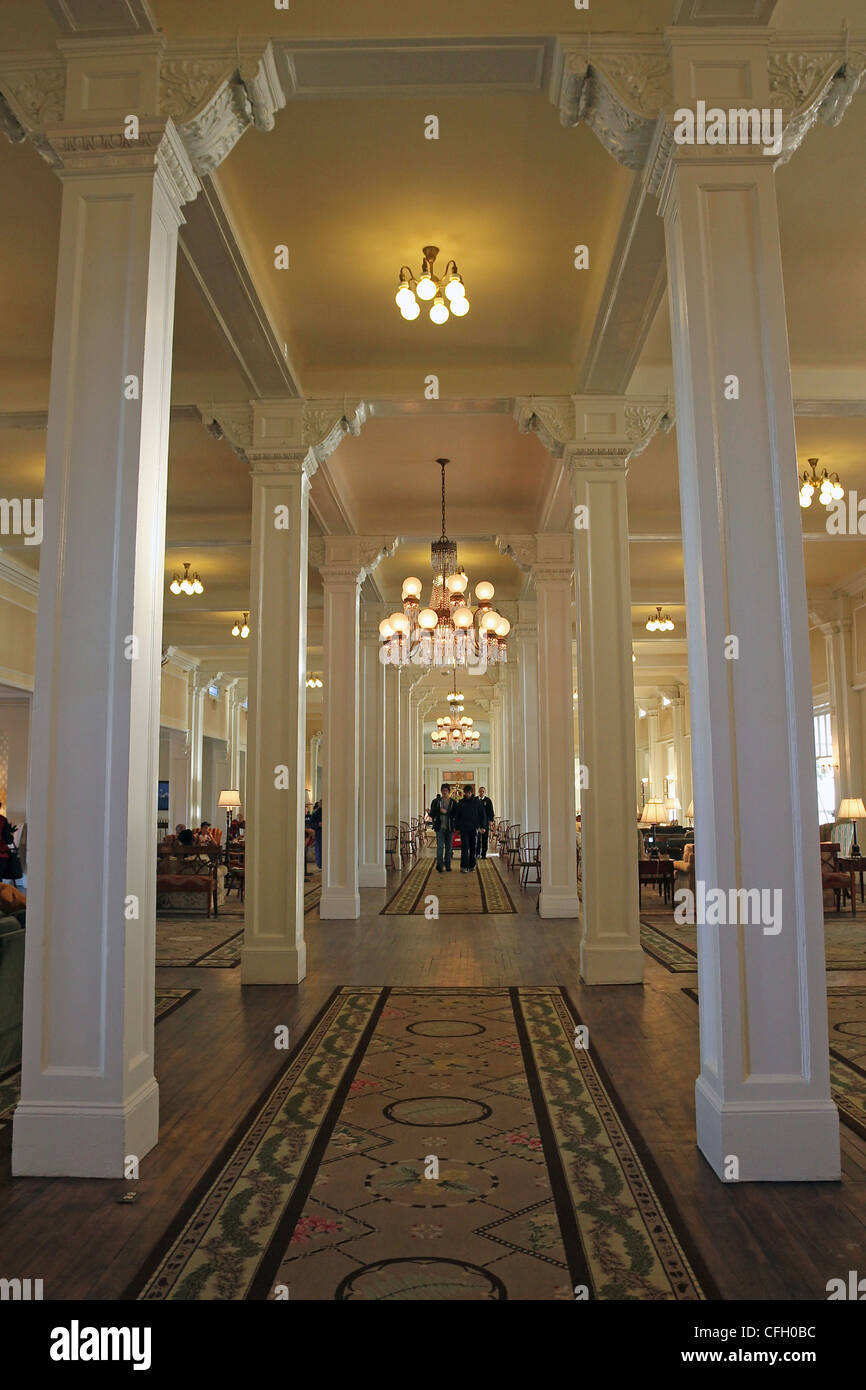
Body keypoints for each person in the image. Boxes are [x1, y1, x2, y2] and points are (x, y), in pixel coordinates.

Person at [453, 784, 483, 873]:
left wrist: (483, 826)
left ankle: (472, 865)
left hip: (474, 828)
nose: (468, 794)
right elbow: (457, 816)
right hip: (464, 828)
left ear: (472, 793)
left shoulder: (477, 802)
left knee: (473, 847)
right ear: (464, 793)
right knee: (465, 847)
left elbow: (482, 815)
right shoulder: (461, 803)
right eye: (466, 793)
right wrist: (457, 828)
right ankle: (463, 866)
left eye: (469, 793)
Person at [430, 783, 456, 873]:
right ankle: (440, 865)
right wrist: (437, 811)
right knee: (440, 847)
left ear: (449, 792)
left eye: (446, 791)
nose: (445, 792)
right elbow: (432, 814)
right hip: (439, 828)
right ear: (441, 791)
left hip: (449, 828)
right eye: (443, 790)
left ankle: (448, 865)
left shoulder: (453, 802)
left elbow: (455, 815)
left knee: (449, 847)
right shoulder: (436, 801)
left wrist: (446, 812)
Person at [477, 786, 494, 859]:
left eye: (483, 791)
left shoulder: (488, 800)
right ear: (478, 792)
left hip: (485, 822)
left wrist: (491, 820)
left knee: (484, 839)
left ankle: (483, 854)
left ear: (485, 792)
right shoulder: (475, 800)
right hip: (477, 822)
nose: (481, 792)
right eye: (480, 791)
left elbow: (491, 811)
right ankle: (477, 853)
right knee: (477, 839)